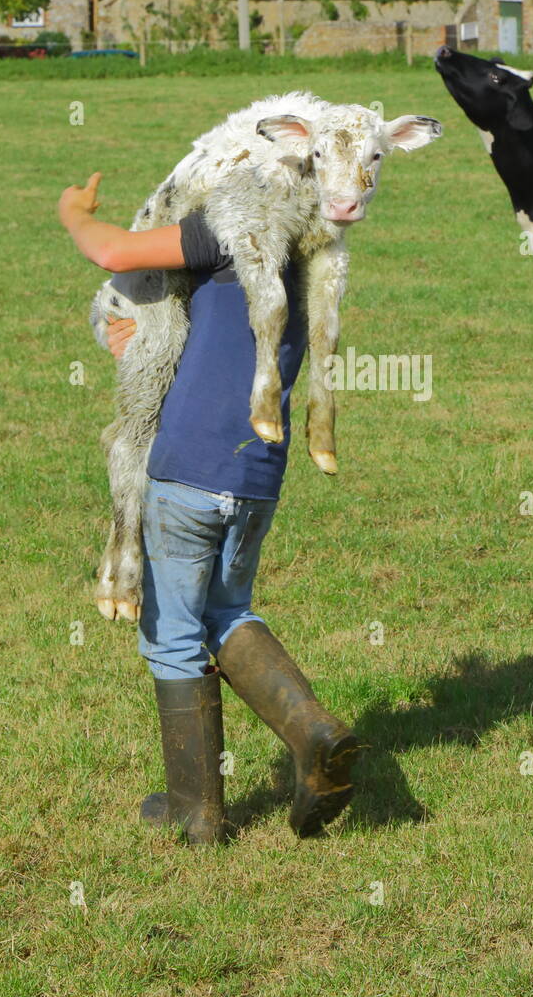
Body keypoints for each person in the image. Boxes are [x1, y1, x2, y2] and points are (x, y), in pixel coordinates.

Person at [58, 173, 358, 844]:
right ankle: (313, 730)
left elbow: (113, 251)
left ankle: (197, 813)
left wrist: (73, 212)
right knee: (227, 612)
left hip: (185, 469)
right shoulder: (313, 255)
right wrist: (137, 331)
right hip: (256, 476)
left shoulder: (229, 229)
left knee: (172, 633)